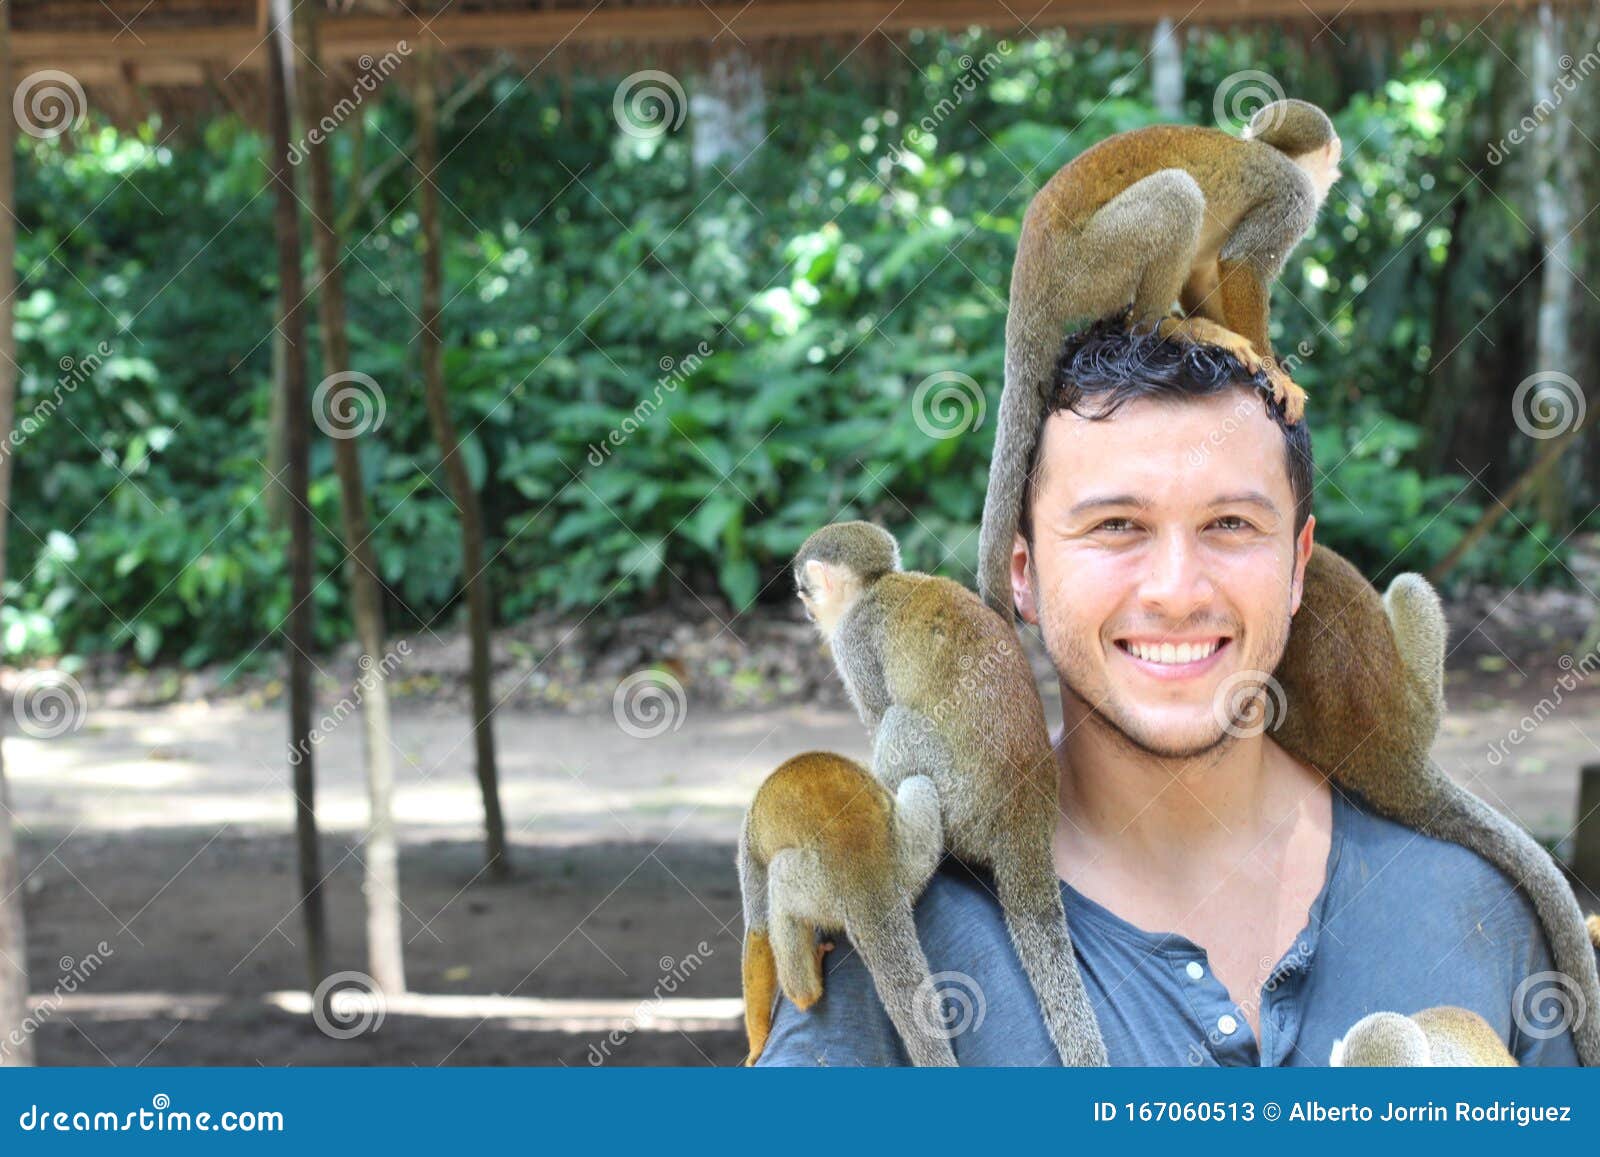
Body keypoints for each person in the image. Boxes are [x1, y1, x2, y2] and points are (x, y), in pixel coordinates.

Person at [755, 316, 1585, 1066]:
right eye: (1117, 526)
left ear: (1298, 567)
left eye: (1230, 525)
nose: (1178, 589)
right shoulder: (894, 935)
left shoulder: (1473, 911)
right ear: (1025, 577)